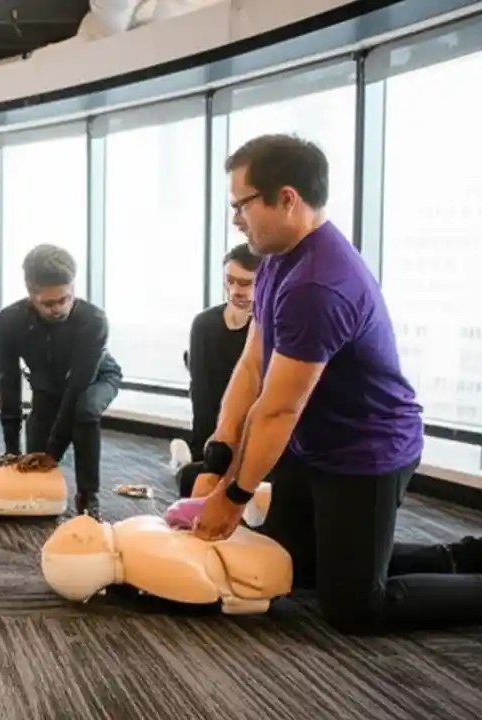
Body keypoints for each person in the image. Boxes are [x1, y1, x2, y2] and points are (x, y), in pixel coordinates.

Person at [194, 134, 482, 634]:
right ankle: (456, 556)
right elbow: (252, 366)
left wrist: (234, 496)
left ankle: (458, 561)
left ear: (286, 199)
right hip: (315, 443)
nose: (235, 218)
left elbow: (278, 409)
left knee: (354, 606)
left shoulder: (318, 284)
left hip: (366, 450)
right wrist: (219, 456)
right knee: (291, 568)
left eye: (241, 204)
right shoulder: (276, 259)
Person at [0, 245, 122, 519]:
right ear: (31, 295)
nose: (59, 309)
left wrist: (55, 451)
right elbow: (9, 382)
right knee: (32, 463)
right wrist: (11, 449)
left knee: (85, 410)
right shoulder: (8, 322)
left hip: (95, 380)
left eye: (66, 298)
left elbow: (77, 385)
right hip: (48, 386)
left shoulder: (93, 321)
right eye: (49, 304)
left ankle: (89, 495)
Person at [172, 243, 260, 496]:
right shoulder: (204, 324)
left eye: (245, 283)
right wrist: (208, 456)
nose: (235, 291)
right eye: (229, 282)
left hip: (253, 435)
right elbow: (201, 394)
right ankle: (190, 458)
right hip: (215, 428)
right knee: (192, 481)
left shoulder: (268, 329)